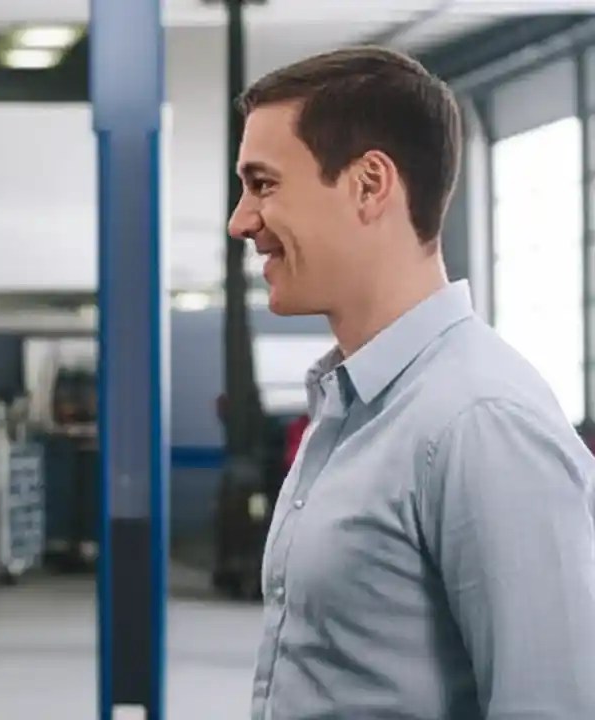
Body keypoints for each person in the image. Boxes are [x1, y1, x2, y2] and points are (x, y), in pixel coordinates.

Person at [229, 46, 595, 718]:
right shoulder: (350, 408)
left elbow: (552, 703)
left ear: (370, 185)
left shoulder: (480, 420)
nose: (241, 221)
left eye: (264, 184)